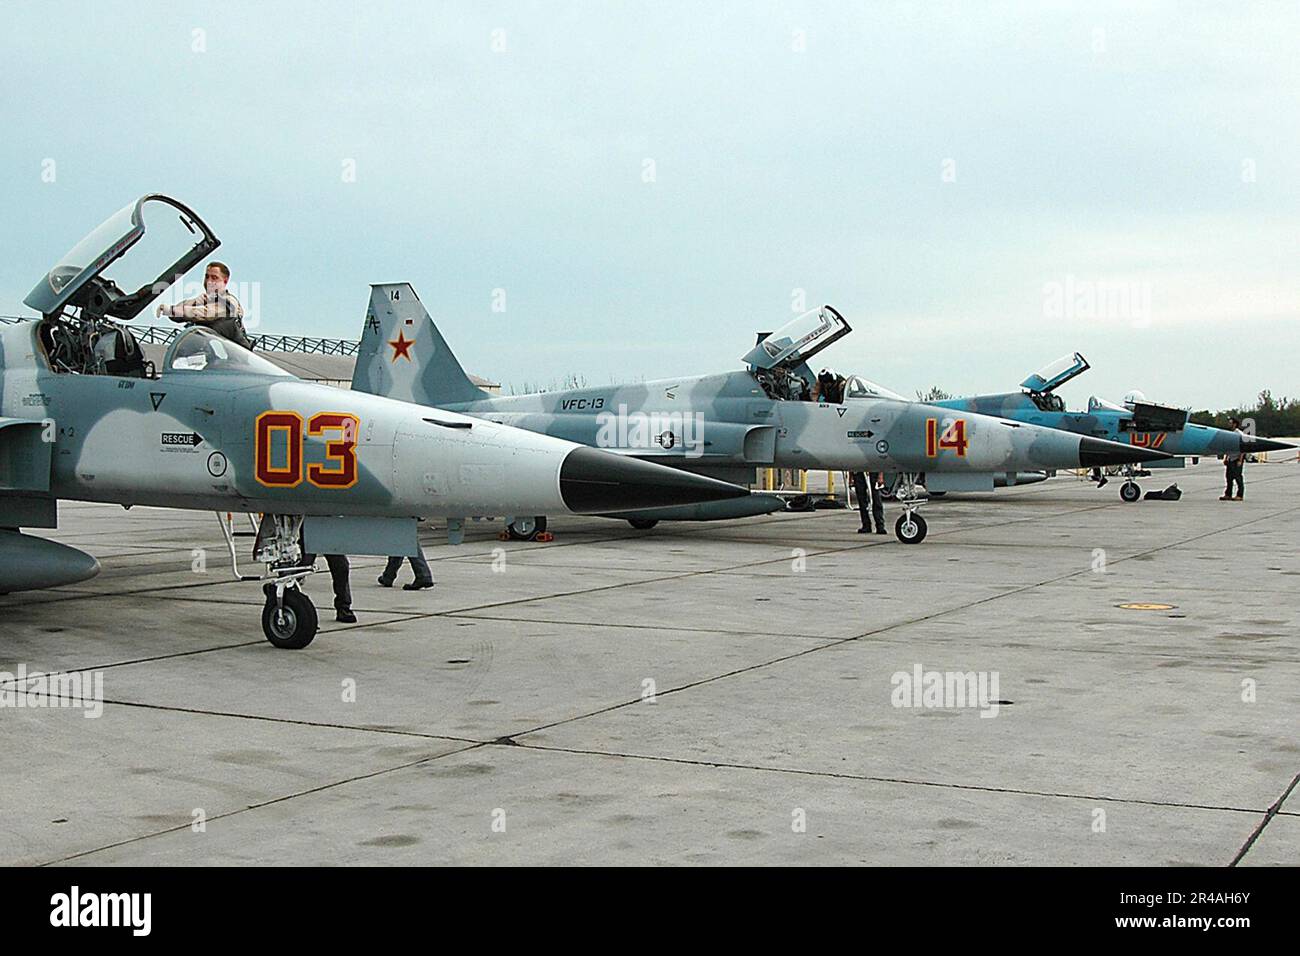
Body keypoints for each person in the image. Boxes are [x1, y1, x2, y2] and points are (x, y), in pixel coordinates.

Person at [157, 261, 253, 349]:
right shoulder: (206, 300)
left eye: (214, 278)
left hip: (233, 361)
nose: (209, 281)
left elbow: (204, 313)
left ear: (225, 281)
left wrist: (171, 310)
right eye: (207, 277)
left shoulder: (229, 302)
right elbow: (178, 316)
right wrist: (195, 302)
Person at [1221, 417, 1245, 501]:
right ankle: (1228, 494)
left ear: (1235, 424)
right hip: (1230, 459)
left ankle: (1240, 495)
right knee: (1229, 477)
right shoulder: (1229, 434)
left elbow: (1243, 448)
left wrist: (1240, 460)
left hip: (1236, 459)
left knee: (1238, 477)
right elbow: (1228, 447)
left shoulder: (1239, 434)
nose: (1229, 424)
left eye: (1230, 423)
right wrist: (1226, 458)